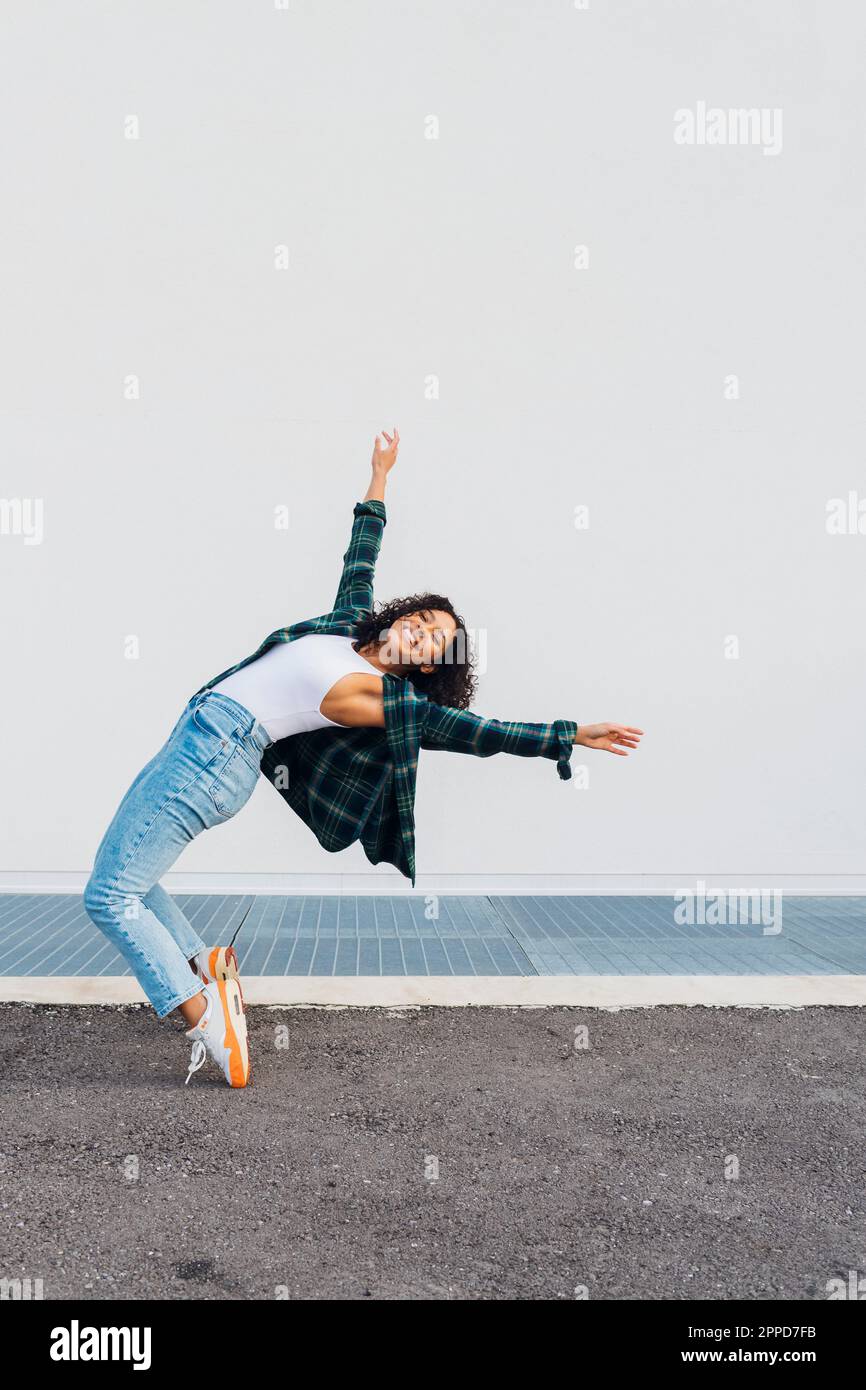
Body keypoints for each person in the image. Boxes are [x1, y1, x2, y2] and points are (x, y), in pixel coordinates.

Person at [83, 429, 643, 1087]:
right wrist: (379, 474)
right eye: (423, 618)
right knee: (129, 877)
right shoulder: (347, 628)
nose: (422, 631)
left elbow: (478, 730)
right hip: (197, 734)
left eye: (434, 640)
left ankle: (207, 1019)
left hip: (216, 756)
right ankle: (206, 967)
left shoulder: (387, 700)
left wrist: (568, 733)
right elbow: (362, 552)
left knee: (109, 896)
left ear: (432, 665)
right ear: (403, 615)